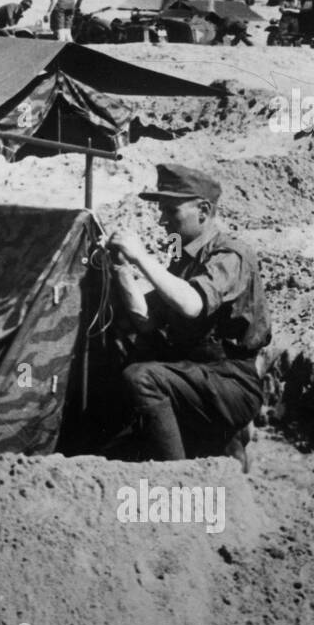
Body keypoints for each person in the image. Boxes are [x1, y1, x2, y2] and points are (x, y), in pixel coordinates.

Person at [105, 164, 271, 471]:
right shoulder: (183, 263)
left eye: (171, 210)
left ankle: (178, 478)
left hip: (232, 381)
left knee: (142, 377)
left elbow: (192, 304)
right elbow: (146, 320)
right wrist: (122, 270)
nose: (162, 220)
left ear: (203, 211)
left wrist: (142, 256)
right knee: (132, 346)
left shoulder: (230, 255)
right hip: (198, 374)